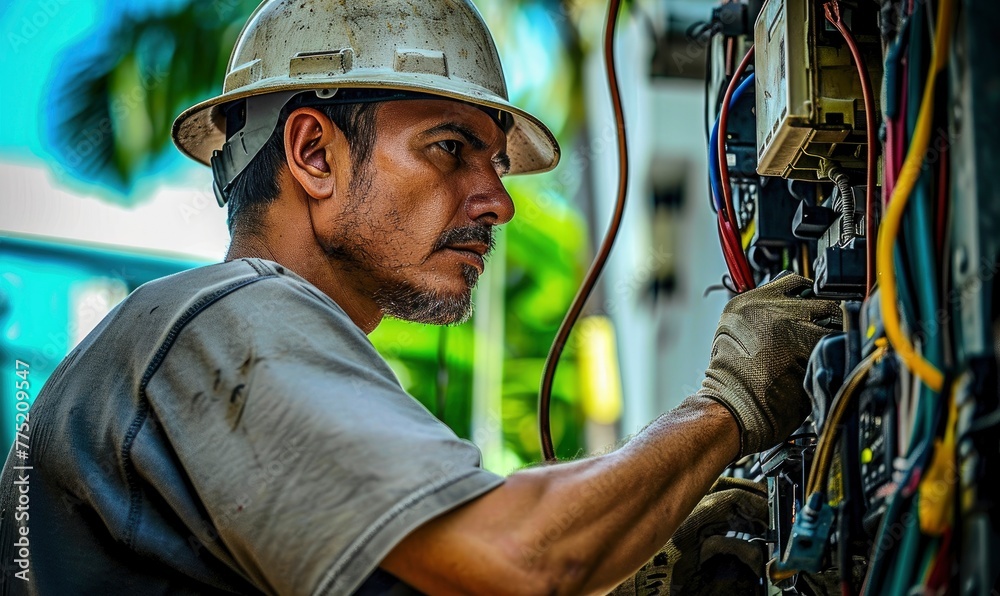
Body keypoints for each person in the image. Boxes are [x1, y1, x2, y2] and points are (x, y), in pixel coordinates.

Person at [0, 1, 841, 594]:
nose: (499, 202)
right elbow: (518, 561)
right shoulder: (227, 320)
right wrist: (727, 405)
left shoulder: (210, 347)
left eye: (495, 163)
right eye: (449, 149)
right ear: (313, 154)